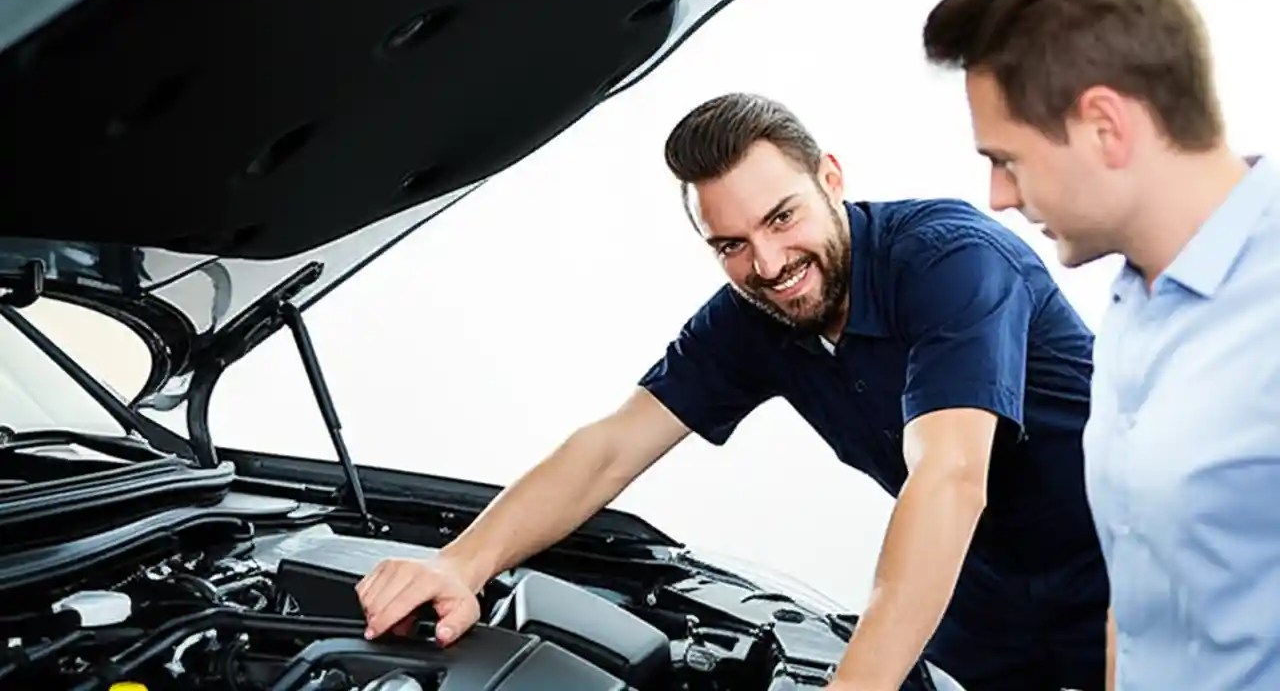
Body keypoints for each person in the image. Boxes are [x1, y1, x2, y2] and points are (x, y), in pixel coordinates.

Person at [355, 92, 1109, 691]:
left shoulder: (950, 262)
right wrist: (461, 564)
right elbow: (611, 447)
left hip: (1142, 571)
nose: (771, 262)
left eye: (783, 217)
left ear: (832, 179)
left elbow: (948, 476)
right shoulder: (755, 315)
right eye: (732, 245)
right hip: (982, 596)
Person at [920, 0, 1280, 690]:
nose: (998, 196)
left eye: (1006, 159)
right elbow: (1139, 594)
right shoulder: (1132, 302)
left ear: (1104, 127)